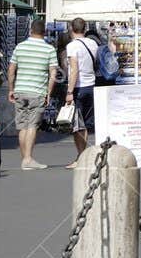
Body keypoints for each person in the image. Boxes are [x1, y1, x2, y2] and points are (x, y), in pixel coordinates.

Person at [6, 17, 57, 171]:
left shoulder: (20, 47)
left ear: (30, 31)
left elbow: (11, 70)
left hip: (20, 90)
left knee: (22, 126)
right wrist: (49, 92)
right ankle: (28, 159)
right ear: (44, 32)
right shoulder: (49, 49)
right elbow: (53, 74)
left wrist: (11, 89)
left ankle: (25, 159)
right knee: (32, 126)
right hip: (37, 92)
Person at [63, 17, 101, 167]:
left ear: (71, 29)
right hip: (91, 85)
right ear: (85, 29)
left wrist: (69, 91)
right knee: (85, 123)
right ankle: (84, 156)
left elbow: (74, 70)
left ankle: (81, 157)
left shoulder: (72, 46)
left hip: (79, 87)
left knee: (77, 125)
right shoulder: (93, 43)